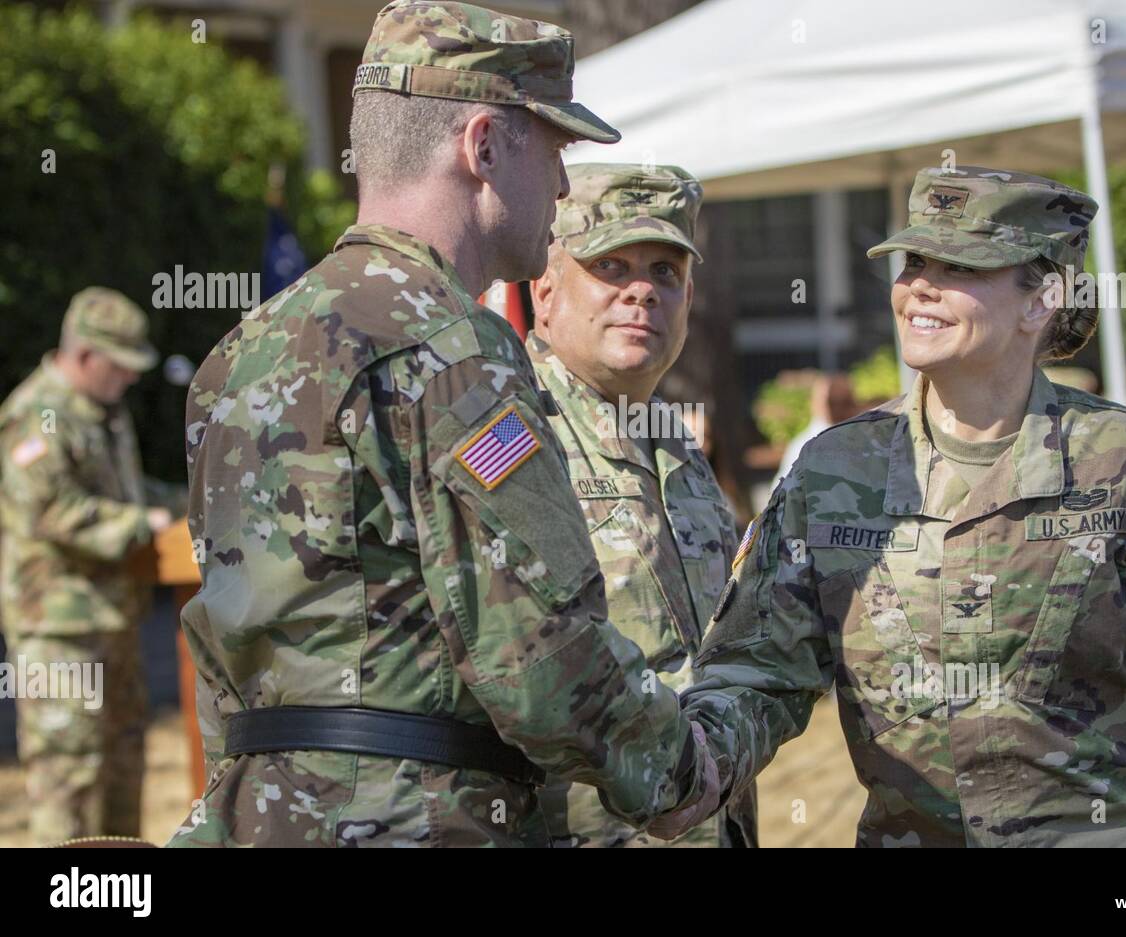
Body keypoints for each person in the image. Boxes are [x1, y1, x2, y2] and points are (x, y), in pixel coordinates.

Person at [169, 1, 716, 848]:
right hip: (418, 822)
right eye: (556, 148)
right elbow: (541, 657)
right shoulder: (454, 346)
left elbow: (222, 641)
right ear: (484, 144)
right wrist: (679, 770)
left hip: (257, 818)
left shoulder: (240, 350)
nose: (566, 186)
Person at [652, 166, 1126, 846]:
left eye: (960, 265)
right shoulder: (834, 473)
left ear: (1041, 299)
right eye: (915, 261)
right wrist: (672, 765)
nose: (920, 286)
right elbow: (758, 671)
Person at [527, 162, 756, 846]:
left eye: (665, 272)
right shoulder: (518, 438)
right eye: (611, 265)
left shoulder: (677, 452)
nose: (642, 292)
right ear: (545, 294)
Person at [0, 287, 175, 845]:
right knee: (69, 778)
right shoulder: (38, 415)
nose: (128, 379)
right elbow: (53, 511)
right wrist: (143, 524)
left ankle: (115, 894)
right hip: (61, 632)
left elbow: (128, 493)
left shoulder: (104, 413)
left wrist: (186, 501)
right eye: (120, 367)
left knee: (123, 764)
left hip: (114, 620)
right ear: (84, 356)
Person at [773, 373, 861, 487]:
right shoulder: (804, 445)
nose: (836, 408)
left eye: (843, 401)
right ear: (813, 403)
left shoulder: (865, 437)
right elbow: (781, 494)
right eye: (831, 402)